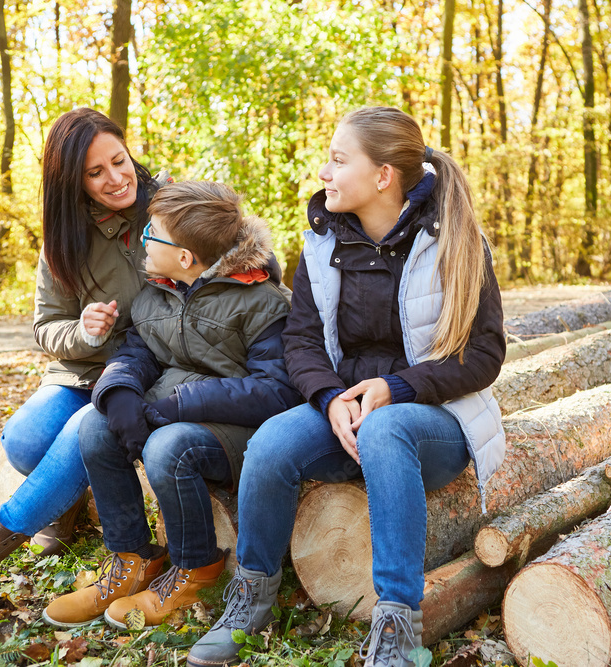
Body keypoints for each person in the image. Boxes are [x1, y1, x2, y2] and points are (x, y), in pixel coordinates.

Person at [186, 106, 506, 667]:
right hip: (346, 410)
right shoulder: (321, 246)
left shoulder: (456, 241)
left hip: (437, 419)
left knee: (385, 428)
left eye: (338, 160)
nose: (323, 173)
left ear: (383, 176)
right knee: (271, 443)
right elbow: (302, 344)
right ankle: (252, 598)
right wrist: (331, 399)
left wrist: (396, 388)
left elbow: (483, 356)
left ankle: (398, 626)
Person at [0, 108, 167, 647]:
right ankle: (62, 508)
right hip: (81, 370)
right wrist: (85, 332)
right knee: (23, 442)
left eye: (119, 161)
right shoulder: (62, 237)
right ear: (72, 182)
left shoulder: (170, 209)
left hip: (147, 372)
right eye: (96, 173)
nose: (116, 179)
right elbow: (46, 327)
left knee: (78, 435)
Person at [41, 180, 299, 630]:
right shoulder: (156, 293)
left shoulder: (261, 302)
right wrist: (118, 390)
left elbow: (276, 390)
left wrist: (181, 404)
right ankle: (133, 559)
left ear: (185, 257)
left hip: (238, 431)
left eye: (151, 232)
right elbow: (136, 351)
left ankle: (196, 568)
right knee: (94, 428)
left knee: (168, 447)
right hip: (175, 413)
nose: (142, 238)